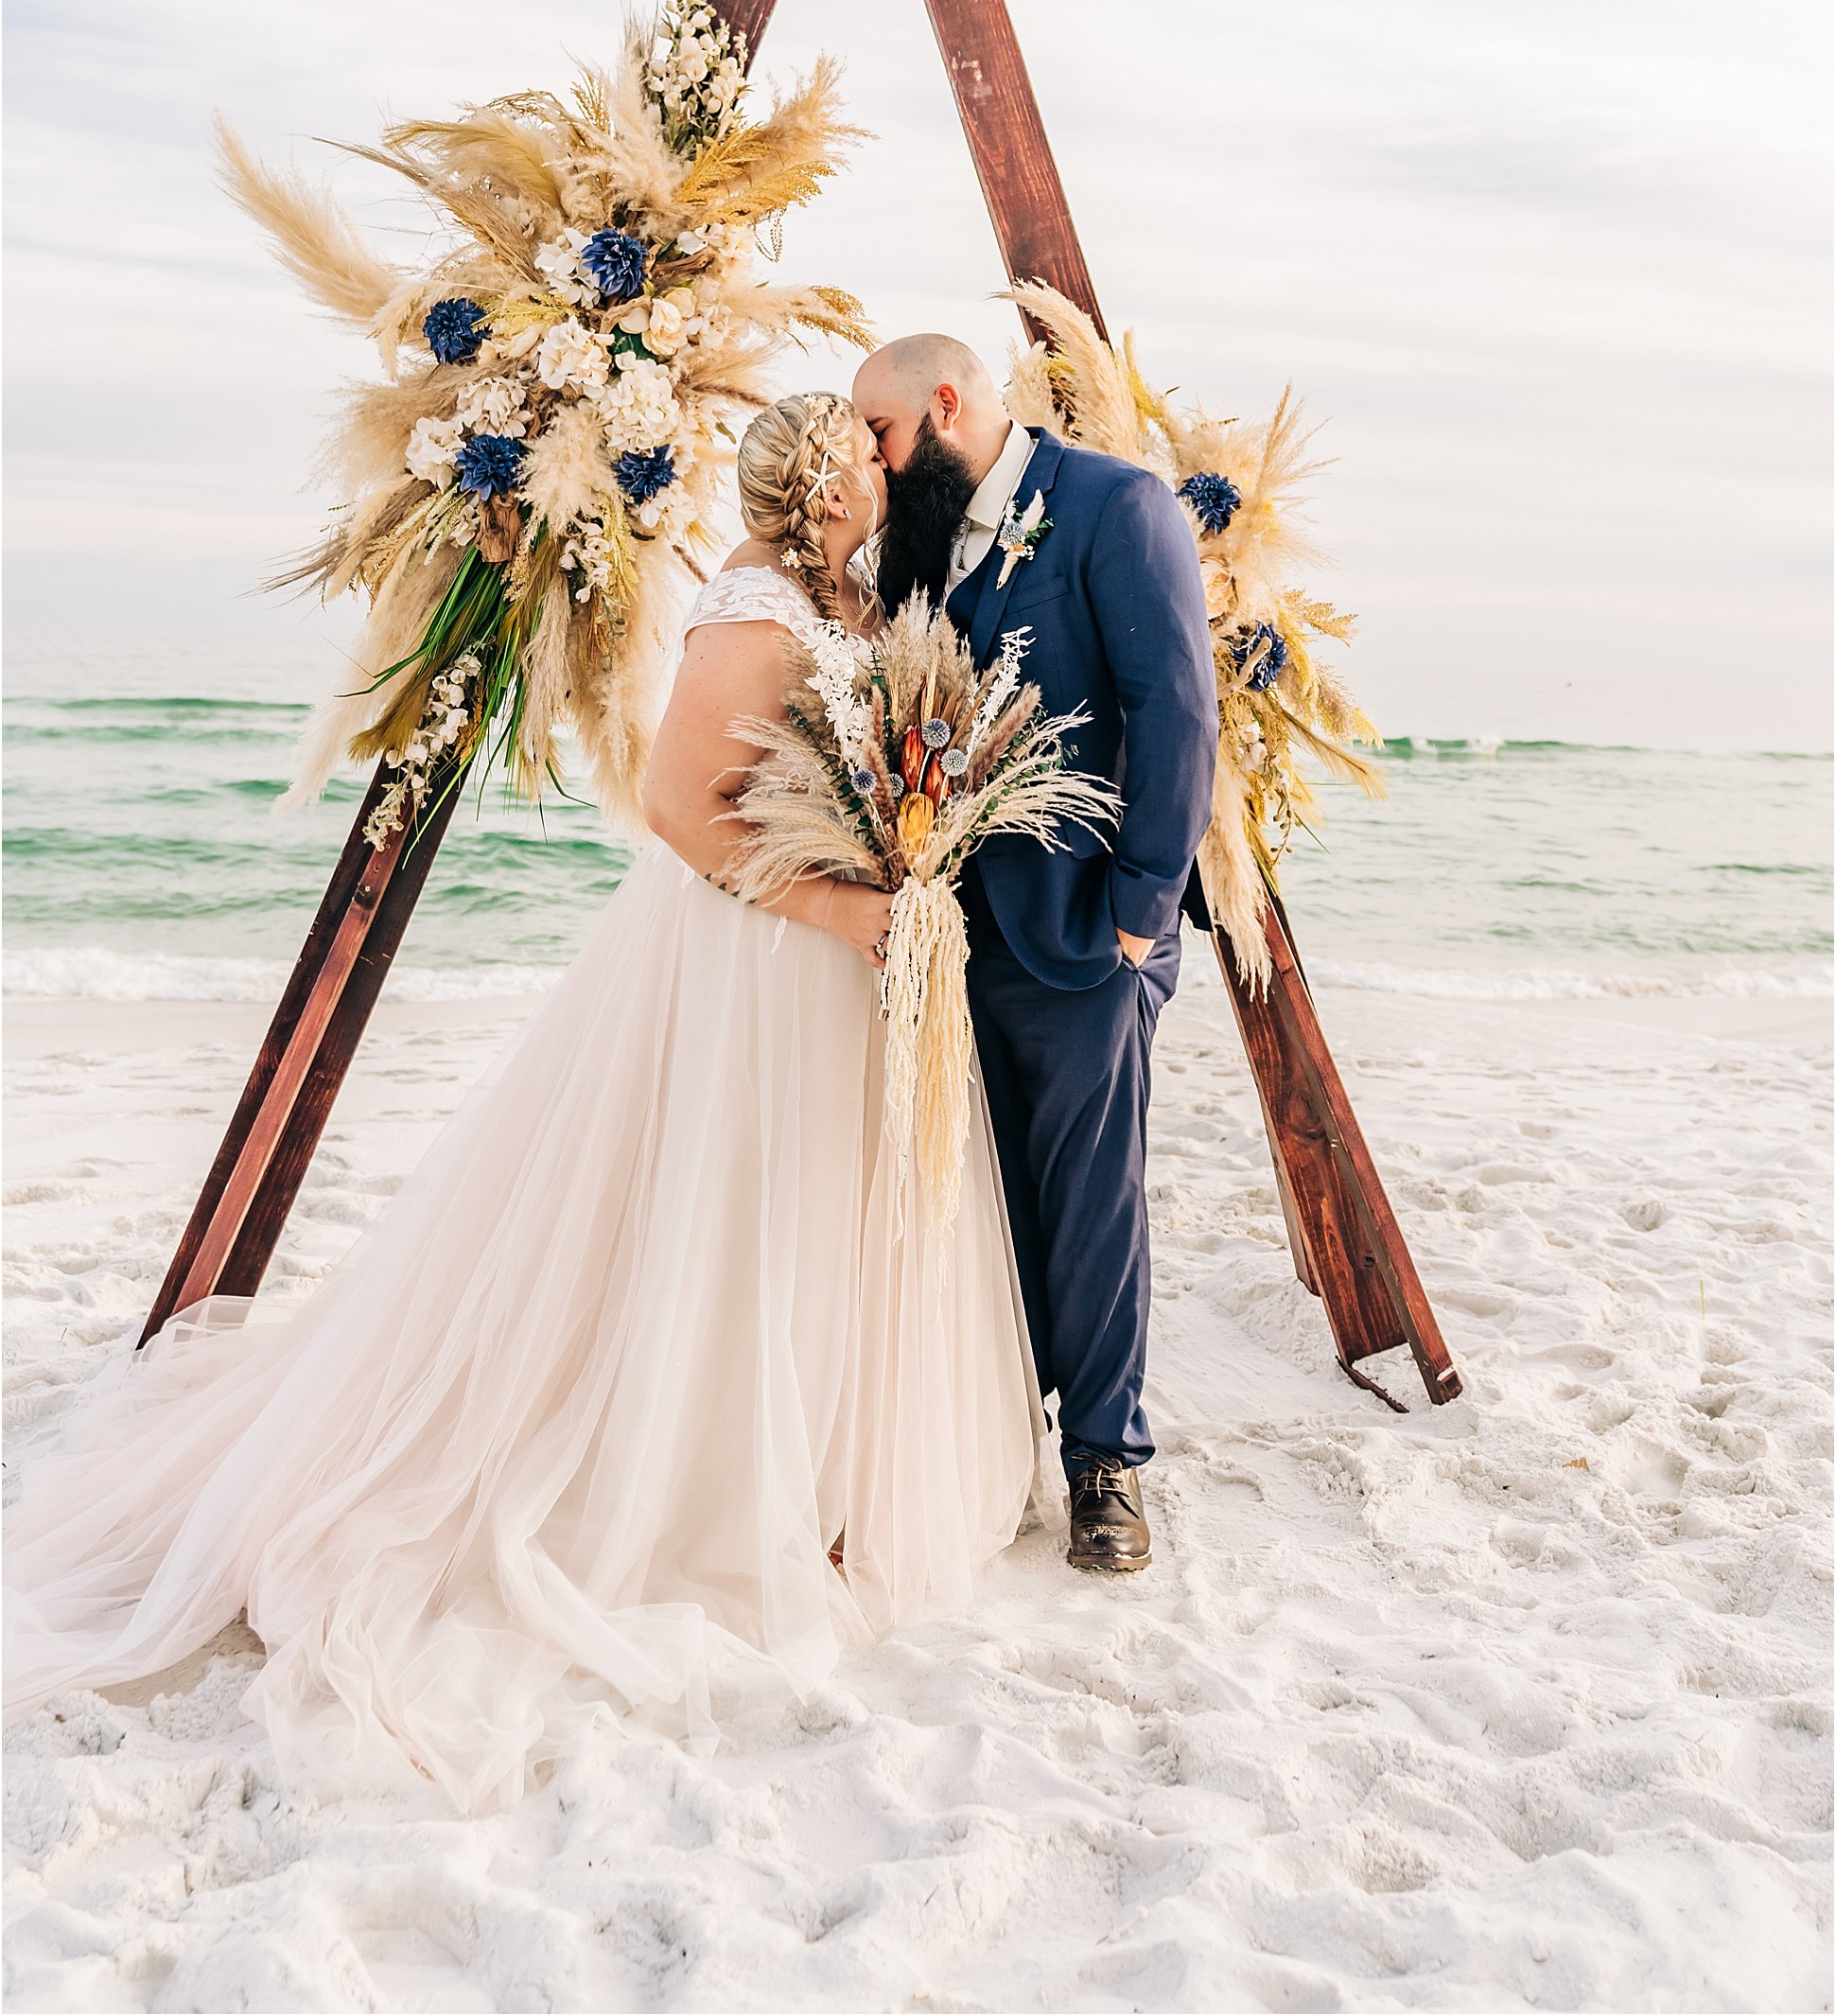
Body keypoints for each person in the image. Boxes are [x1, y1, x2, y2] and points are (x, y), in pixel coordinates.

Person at [3, 394, 1040, 1814]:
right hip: (755, 956)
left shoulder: (856, 597)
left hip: (841, 963)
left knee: (811, 1212)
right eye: (869, 457)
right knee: (725, 1214)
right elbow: (682, 809)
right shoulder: (749, 609)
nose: (891, 469)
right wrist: (836, 902)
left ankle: (818, 1477)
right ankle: (721, 1485)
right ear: (823, 487)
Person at [854, 337, 1218, 1574]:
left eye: (882, 431)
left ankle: (1104, 1460)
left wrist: (1139, 906)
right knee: (986, 1196)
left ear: (944, 404)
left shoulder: (1115, 507)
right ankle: (1001, 1432)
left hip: (1082, 927)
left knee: (1091, 1196)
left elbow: (1174, 704)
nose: (871, 456)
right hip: (950, 930)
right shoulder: (917, 537)